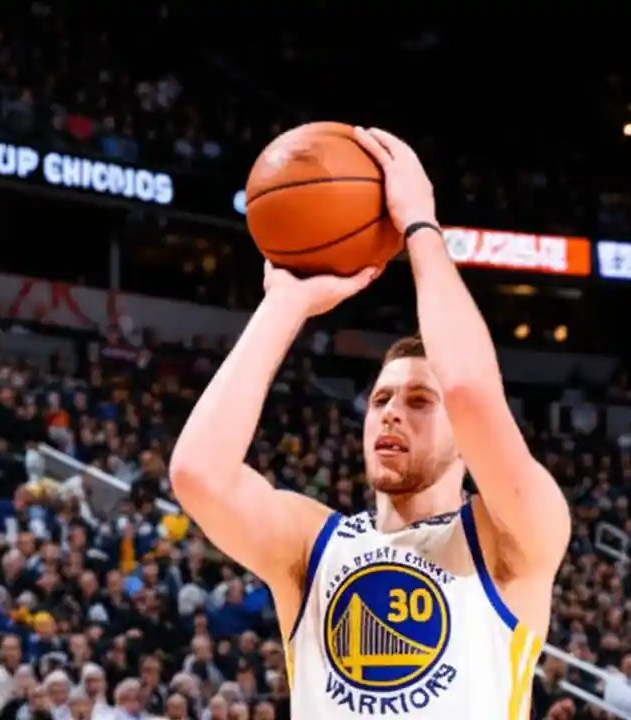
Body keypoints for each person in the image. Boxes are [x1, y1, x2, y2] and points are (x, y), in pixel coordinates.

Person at [171, 126, 571, 718]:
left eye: (417, 402)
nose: (390, 413)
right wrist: (283, 303)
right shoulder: (313, 545)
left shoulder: (508, 535)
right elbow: (197, 474)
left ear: (463, 432)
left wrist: (421, 228)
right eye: (382, 399)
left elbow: (467, 388)